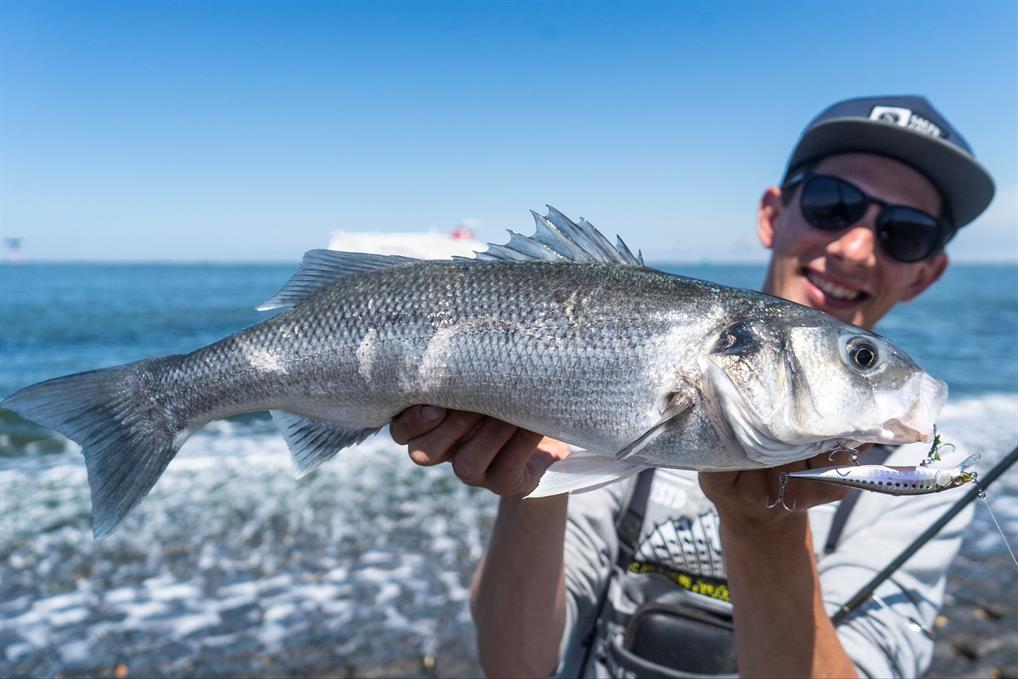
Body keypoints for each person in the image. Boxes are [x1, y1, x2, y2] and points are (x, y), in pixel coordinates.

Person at [390, 95, 995, 678]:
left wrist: (765, 531)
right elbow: (515, 666)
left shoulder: (918, 474)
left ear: (927, 272)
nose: (856, 247)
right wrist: (529, 480)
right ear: (771, 214)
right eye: (833, 204)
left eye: (906, 231)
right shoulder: (635, 387)